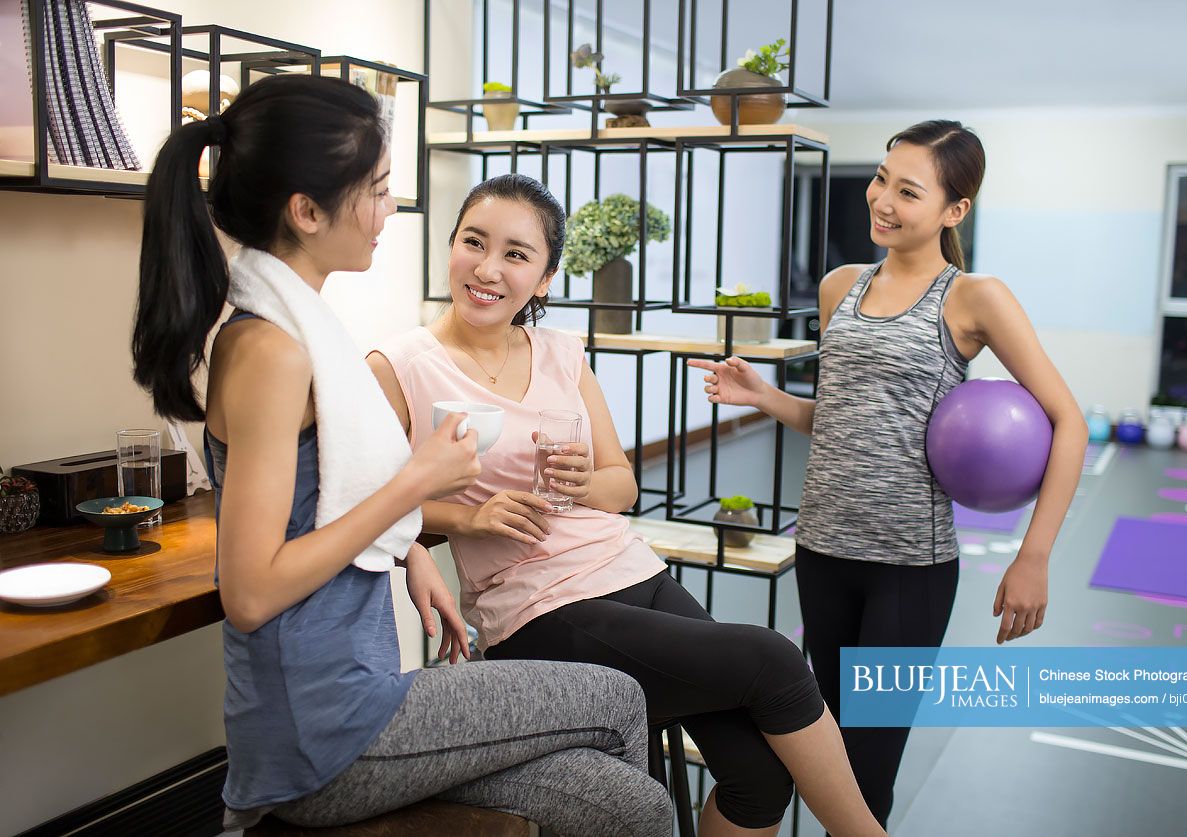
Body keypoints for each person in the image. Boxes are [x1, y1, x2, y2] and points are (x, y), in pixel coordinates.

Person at [131, 74, 672, 836]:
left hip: (353, 698)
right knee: (618, 698)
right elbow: (249, 592)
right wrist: (414, 485)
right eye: (378, 190)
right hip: (329, 732)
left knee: (637, 806)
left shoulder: (292, 328)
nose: (389, 210)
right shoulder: (271, 351)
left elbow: (317, 499)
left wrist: (408, 549)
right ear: (307, 211)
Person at [368, 173, 887, 837]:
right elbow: (366, 505)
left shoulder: (560, 353)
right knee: (775, 658)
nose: (488, 268)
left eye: (516, 254)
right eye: (474, 242)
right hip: (536, 607)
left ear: (545, 278)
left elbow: (622, 486)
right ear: (451, 247)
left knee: (758, 777)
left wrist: (583, 480)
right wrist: (466, 517)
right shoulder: (401, 365)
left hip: (630, 570)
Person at [690, 119, 1088, 826]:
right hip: (822, 552)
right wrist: (764, 396)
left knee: (866, 772)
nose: (882, 199)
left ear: (954, 210)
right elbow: (844, 418)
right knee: (825, 759)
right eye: (881, 179)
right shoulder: (840, 286)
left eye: (908, 191)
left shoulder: (973, 297)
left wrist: (1034, 555)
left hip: (907, 568)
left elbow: (1068, 421)